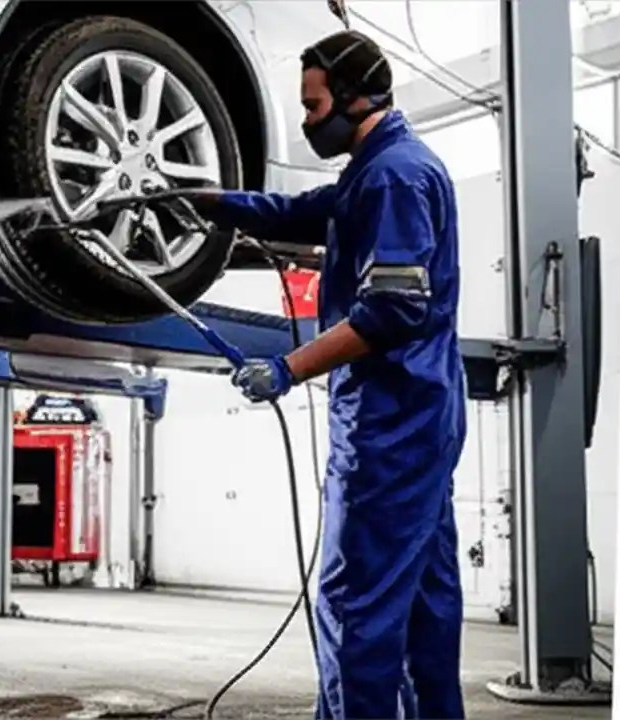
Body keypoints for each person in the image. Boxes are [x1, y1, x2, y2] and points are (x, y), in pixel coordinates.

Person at [188, 30, 466, 719]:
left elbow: (393, 311)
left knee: (355, 605)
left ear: (355, 97)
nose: (308, 121)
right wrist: (209, 200)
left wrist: (287, 369)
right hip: (420, 420)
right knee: (425, 605)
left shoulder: (395, 177)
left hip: (390, 430)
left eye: (313, 107)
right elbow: (299, 213)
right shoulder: (375, 168)